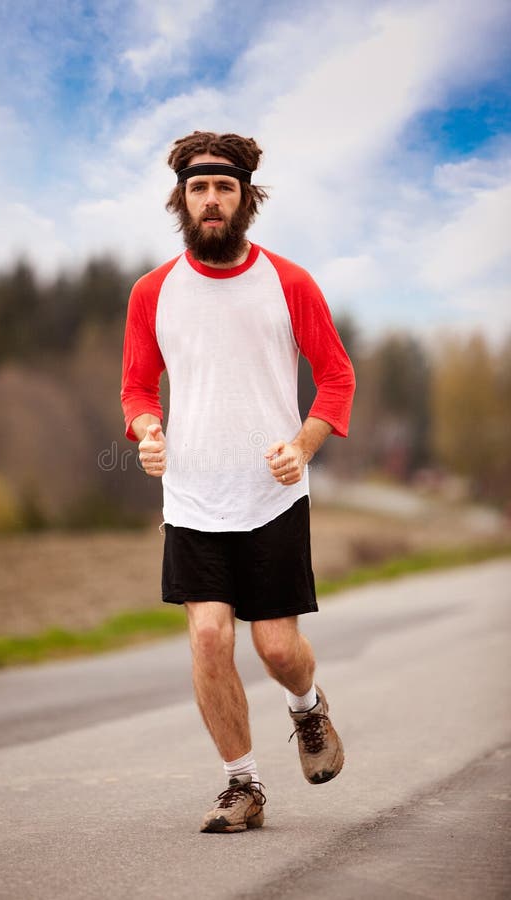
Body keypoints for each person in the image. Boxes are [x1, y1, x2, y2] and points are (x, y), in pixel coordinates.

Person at [121, 131, 355, 833]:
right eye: (199, 188)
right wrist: (147, 431)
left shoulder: (290, 283)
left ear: (246, 197)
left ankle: (307, 708)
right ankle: (242, 785)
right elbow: (137, 388)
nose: (212, 200)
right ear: (181, 200)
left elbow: (337, 377)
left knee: (277, 648)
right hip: (194, 499)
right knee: (208, 638)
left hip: (272, 497)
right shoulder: (153, 292)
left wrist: (304, 445)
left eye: (224, 187)